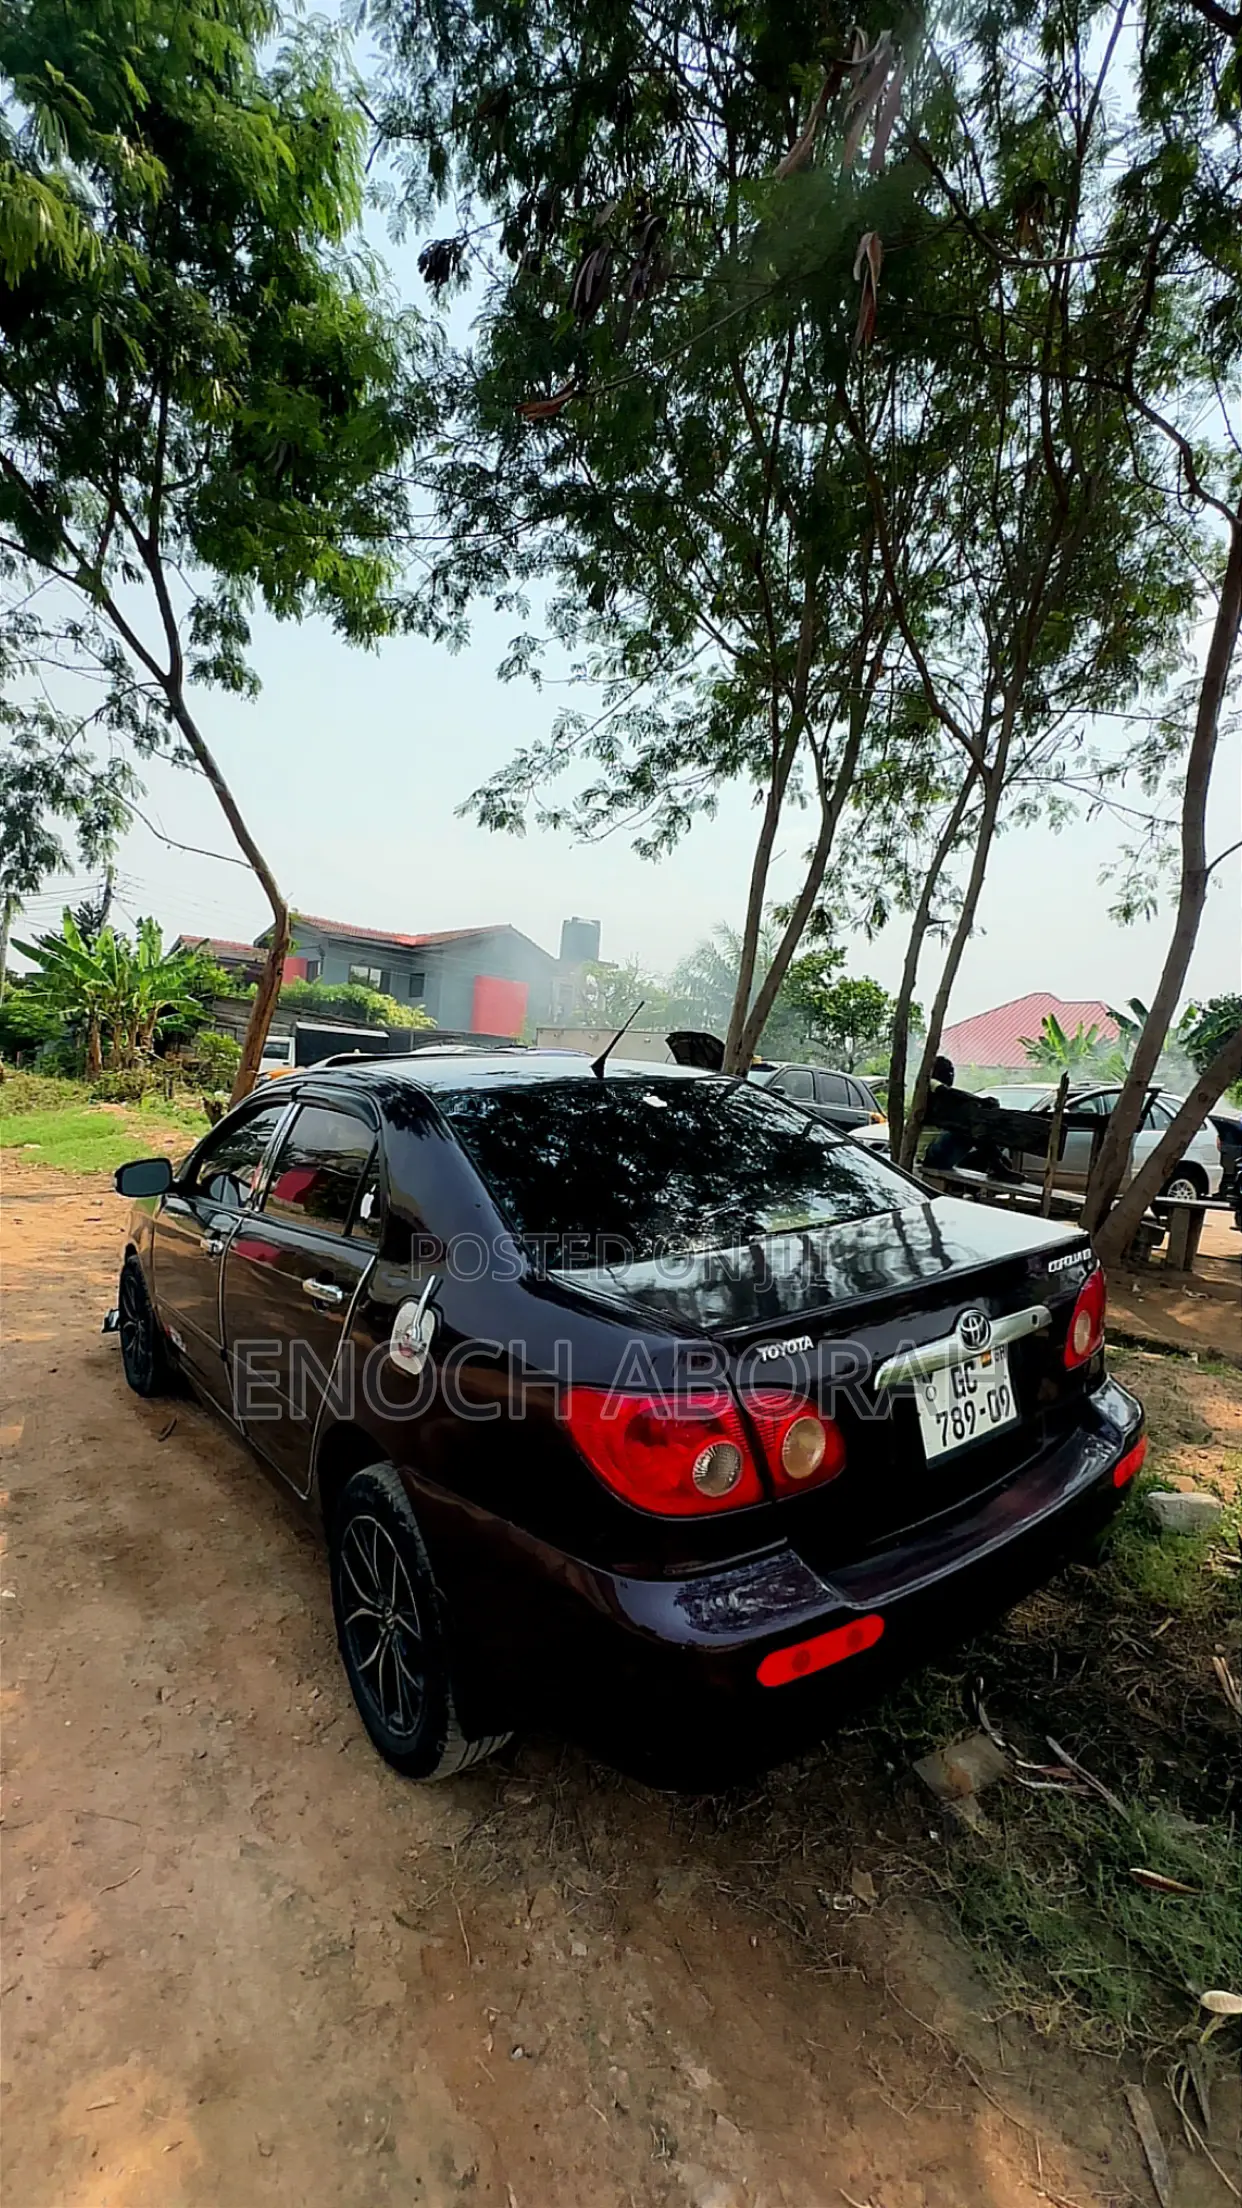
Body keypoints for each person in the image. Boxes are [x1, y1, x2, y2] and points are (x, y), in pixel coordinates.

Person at [924, 1058, 1022, 1182]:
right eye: (947, 1071)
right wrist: (980, 1100)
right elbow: (949, 1092)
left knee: (976, 1130)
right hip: (929, 1157)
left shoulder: (940, 1098)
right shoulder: (931, 1083)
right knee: (972, 1128)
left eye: (952, 1072)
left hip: (941, 1154)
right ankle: (998, 1166)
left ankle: (997, 1164)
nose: (951, 1075)